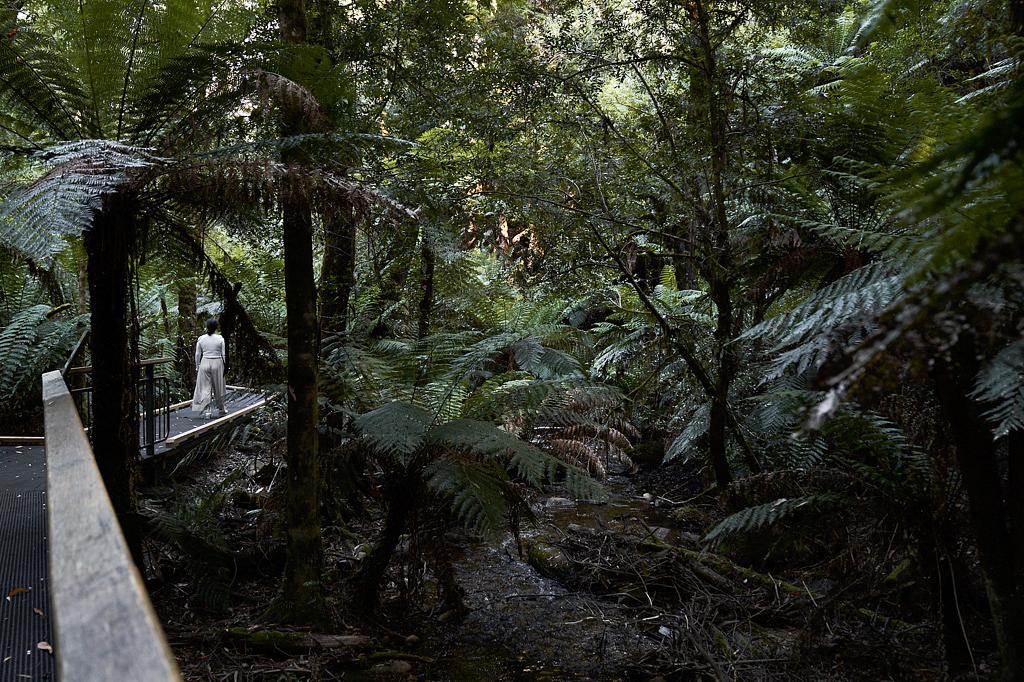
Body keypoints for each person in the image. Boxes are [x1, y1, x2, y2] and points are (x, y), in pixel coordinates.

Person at [192, 317, 227, 418]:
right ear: (216, 327)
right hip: (217, 362)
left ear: (207, 327)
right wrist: (226, 365)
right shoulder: (220, 339)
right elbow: (224, 354)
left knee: (205, 388)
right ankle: (222, 410)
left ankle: (207, 411)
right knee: (219, 387)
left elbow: (197, 354)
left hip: (205, 362)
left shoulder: (201, 339)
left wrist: (197, 366)